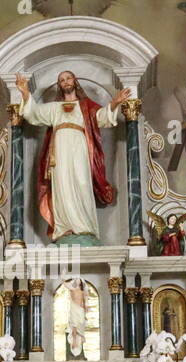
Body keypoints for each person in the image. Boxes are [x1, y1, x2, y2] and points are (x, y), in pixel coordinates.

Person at [16, 70, 128, 242]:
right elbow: (33, 113)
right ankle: (63, 228)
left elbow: (102, 117)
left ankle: (85, 228)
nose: (66, 82)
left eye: (68, 78)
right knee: (61, 185)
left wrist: (114, 103)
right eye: (61, 80)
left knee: (82, 183)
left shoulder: (86, 106)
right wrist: (25, 93)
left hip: (80, 149)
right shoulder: (54, 108)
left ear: (75, 81)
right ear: (60, 85)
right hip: (59, 153)